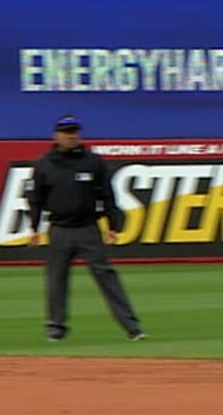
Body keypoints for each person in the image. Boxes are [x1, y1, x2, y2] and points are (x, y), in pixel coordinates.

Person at [25, 116, 145, 341]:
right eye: (66, 132)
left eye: (74, 132)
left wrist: (112, 225)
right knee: (56, 279)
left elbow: (107, 194)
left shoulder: (93, 162)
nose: (71, 136)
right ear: (56, 136)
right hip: (59, 228)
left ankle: (132, 327)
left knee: (106, 276)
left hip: (88, 228)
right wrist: (34, 227)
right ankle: (56, 327)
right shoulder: (44, 164)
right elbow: (36, 198)